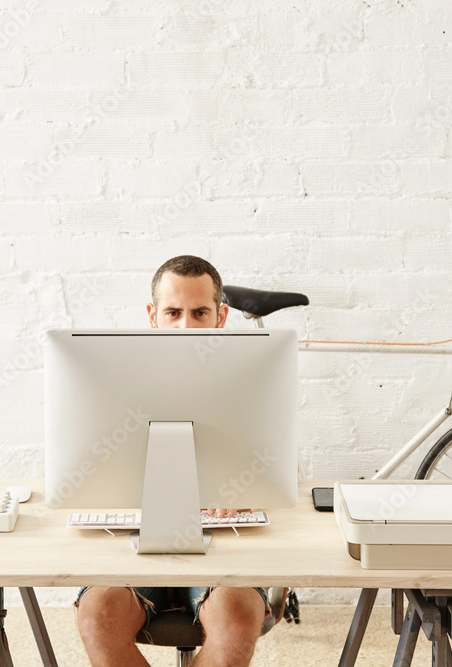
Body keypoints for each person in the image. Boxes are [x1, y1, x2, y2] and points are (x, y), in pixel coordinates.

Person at [75, 255, 271, 667]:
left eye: (199, 313)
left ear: (221, 316)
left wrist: (254, 492)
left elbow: (283, 473)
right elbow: (84, 466)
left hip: (222, 540)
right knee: (98, 616)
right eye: (173, 313)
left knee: (237, 617)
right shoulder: (112, 375)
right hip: (136, 536)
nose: (186, 326)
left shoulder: (255, 374)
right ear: (153, 316)